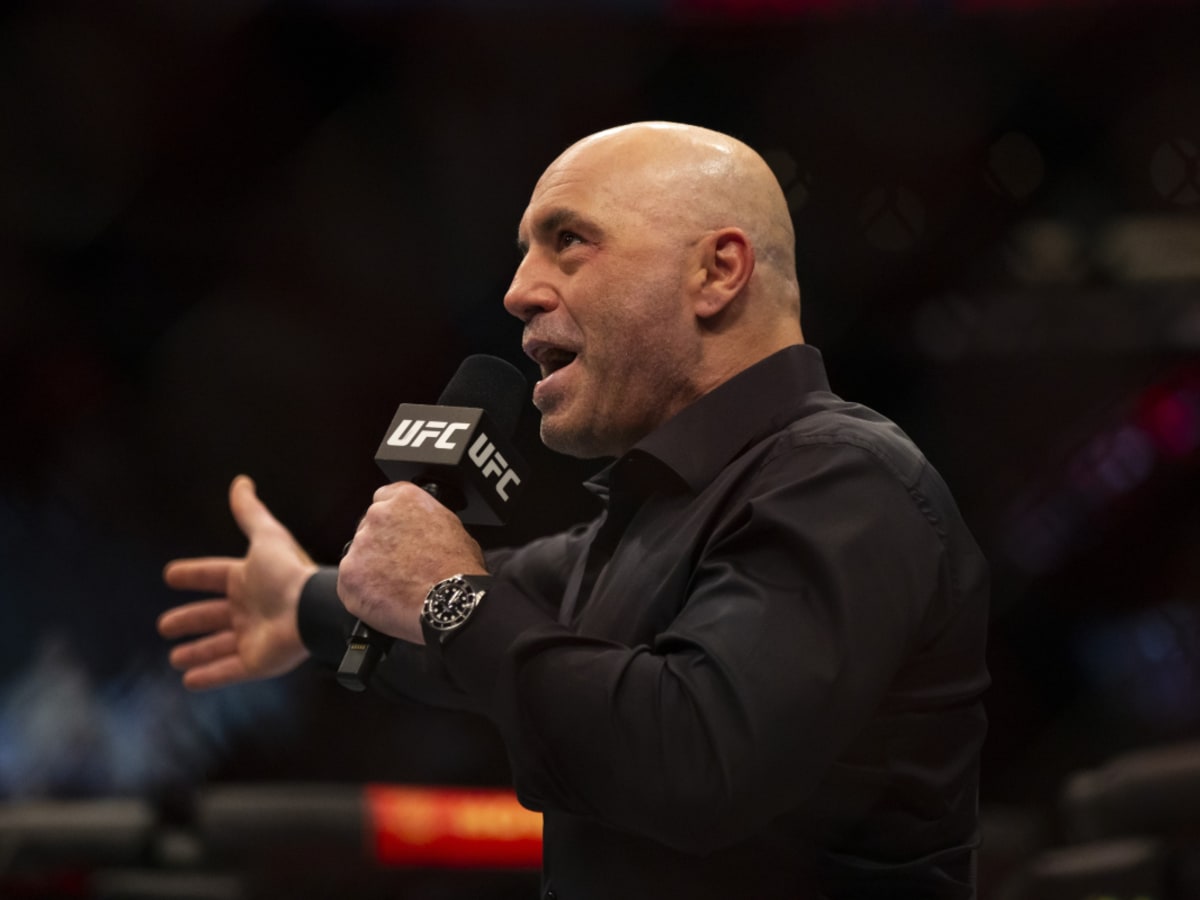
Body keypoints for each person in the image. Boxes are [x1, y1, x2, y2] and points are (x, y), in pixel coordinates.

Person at [159, 122, 990, 899]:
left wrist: (452, 597)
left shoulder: (844, 481)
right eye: (524, 250)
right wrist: (301, 602)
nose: (519, 291)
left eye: (569, 241)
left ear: (717, 272)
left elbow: (694, 762)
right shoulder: (657, 517)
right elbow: (470, 625)